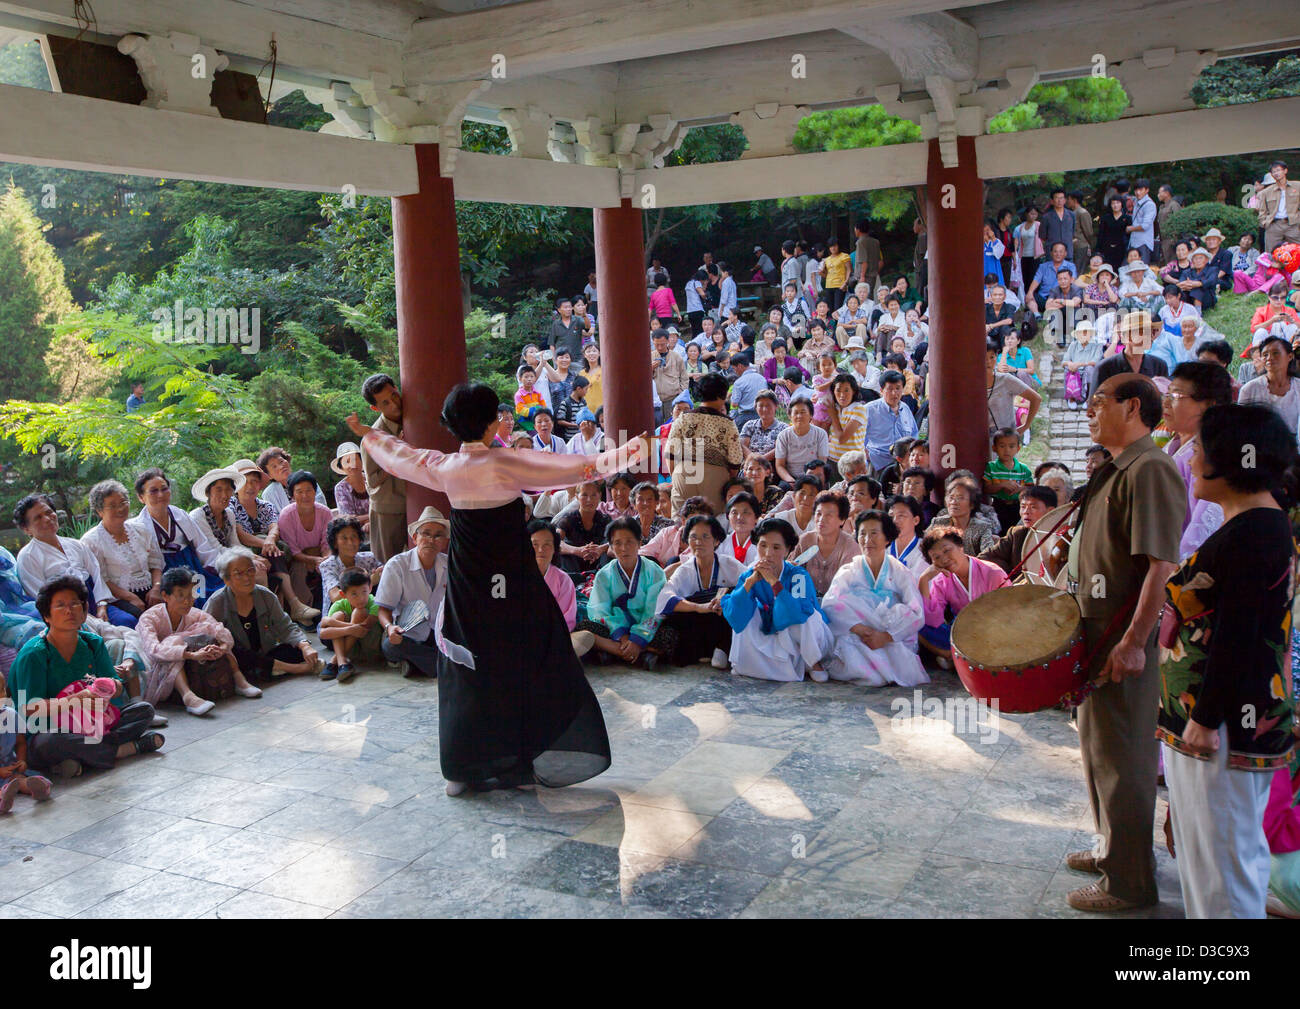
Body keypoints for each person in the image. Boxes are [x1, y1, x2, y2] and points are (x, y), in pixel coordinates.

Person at [348, 385, 647, 793]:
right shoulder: (508, 464)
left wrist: (370, 435)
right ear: (491, 423)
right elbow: (581, 468)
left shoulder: (445, 466)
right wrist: (631, 450)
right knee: (523, 661)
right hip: (511, 583)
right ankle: (517, 758)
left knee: (467, 667)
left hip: (468, 586)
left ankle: (463, 768)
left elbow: (402, 458)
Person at [1158, 404, 1296, 917]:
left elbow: (1241, 635)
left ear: (1232, 460)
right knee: (1204, 863)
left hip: (1225, 729)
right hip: (1206, 723)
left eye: (1198, 448)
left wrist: (1206, 716)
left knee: (1226, 870)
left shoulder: (1258, 532)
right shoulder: (1248, 525)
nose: (1191, 460)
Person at [1063, 375, 1185, 912]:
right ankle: (1114, 847)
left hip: (1118, 638)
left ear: (1133, 407)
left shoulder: (1151, 467)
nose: (1089, 408)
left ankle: (1129, 881)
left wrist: (1135, 641)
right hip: (1093, 636)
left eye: (1099, 401)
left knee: (1124, 756)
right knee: (1098, 750)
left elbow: (1162, 564)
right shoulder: (1117, 467)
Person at [8, 575, 162, 776]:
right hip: (47, 730)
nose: (69, 610)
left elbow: (116, 687)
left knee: (143, 710)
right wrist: (76, 700)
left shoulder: (93, 643)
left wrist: (112, 687)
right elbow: (28, 708)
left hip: (92, 724)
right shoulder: (34, 654)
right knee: (49, 742)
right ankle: (123, 750)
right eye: (60, 605)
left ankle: (77, 758)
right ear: (46, 615)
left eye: (75, 604)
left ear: (84, 610)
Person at [137, 567, 263, 716]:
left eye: (191, 595)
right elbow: (154, 651)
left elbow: (220, 630)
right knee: (172, 644)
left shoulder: (193, 613)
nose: (187, 601)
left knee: (212, 631)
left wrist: (221, 648)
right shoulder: (149, 618)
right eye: (181, 595)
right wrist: (191, 655)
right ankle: (188, 697)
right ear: (165, 596)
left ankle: (238, 679)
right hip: (154, 668)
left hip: (189, 663)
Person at [822, 509, 927, 686]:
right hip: (859, 636)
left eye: (874, 533)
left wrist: (885, 636)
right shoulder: (849, 571)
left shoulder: (901, 572)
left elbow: (917, 613)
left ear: (887, 538)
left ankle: (875, 666)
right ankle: (871, 669)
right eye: (862, 534)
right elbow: (830, 603)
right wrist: (862, 629)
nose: (867, 540)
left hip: (889, 638)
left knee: (901, 611)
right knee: (843, 602)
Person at [722, 517, 834, 682]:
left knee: (805, 618)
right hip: (772, 628)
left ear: (787, 549)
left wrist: (775, 583)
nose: (768, 553)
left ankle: (815, 662)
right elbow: (735, 616)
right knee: (744, 612)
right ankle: (751, 665)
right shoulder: (749, 575)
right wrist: (750, 583)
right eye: (763, 545)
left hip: (801, 633)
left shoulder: (798, 575)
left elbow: (797, 613)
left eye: (776, 547)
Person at [204, 547, 321, 681]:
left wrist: (305, 646)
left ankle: (267, 670)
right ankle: (293, 669)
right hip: (238, 657)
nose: (247, 577)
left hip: (265, 653)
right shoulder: (217, 602)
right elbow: (209, 639)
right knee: (235, 653)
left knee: (298, 651)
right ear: (226, 580)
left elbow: (285, 626)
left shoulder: (265, 595)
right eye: (238, 573)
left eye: (250, 570)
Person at [15, 494, 132, 627]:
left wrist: (101, 606)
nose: (47, 519)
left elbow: (96, 575)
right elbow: (40, 597)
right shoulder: (28, 557)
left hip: (96, 603)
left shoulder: (76, 545)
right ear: (26, 529)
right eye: (38, 518)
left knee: (127, 621)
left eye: (49, 512)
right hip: (66, 614)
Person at [576, 517, 675, 670]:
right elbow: (599, 609)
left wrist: (637, 639)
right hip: (615, 629)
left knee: (670, 634)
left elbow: (654, 610)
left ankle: (615, 652)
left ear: (639, 543)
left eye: (629, 542)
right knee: (585, 628)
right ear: (610, 546)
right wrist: (622, 635)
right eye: (617, 543)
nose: (624, 548)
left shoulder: (654, 571)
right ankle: (638, 654)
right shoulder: (604, 574)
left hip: (645, 627)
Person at [1163, 362, 1232, 563]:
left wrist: (1176, 572)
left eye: (1175, 397)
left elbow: (1203, 526)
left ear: (1210, 405)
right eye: (1166, 395)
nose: (1166, 403)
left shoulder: (1211, 456)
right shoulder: (1171, 446)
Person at [654, 514, 742, 668]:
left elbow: (749, 583)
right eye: (693, 537)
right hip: (697, 622)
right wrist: (699, 607)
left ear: (716, 541)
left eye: (705, 536)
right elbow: (664, 597)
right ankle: (704, 650)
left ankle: (722, 648)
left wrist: (724, 598)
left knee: (733, 596)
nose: (698, 542)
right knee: (677, 613)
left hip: (722, 619)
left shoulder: (730, 564)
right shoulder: (685, 569)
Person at [373, 506, 450, 679]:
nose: (431, 540)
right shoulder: (397, 565)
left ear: (444, 542)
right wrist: (390, 627)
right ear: (415, 538)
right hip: (407, 635)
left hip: (437, 633)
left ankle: (418, 664)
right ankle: (439, 666)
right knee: (391, 646)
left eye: (438, 535)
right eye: (426, 533)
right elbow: (383, 609)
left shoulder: (449, 564)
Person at [916, 526, 1010, 667]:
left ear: (960, 546)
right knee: (917, 624)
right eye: (937, 557)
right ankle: (951, 655)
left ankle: (956, 659)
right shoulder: (941, 580)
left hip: (994, 632)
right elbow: (933, 620)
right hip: (963, 635)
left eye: (947, 550)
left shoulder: (992, 572)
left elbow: (1010, 611)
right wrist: (923, 580)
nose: (944, 559)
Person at [81, 479, 164, 624]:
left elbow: (155, 564)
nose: (120, 509)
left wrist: (156, 588)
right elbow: (101, 580)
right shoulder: (91, 541)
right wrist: (131, 598)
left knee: (179, 605)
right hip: (117, 597)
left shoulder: (141, 530)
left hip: (151, 591)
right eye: (112, 506)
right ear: (100, 511)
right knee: (141, 620)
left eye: (123, 502)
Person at [666, 372, 743, 515]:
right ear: (723, 394)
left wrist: (676, 475)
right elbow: (735, 462)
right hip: (716, 477)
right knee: (711, 524)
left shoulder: (683, 418)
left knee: (680, 523)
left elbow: (670, 453)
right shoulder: (728, 424)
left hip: (684, 472)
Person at [360, 373, 408, 565]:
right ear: (375, 408)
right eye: (385, 403)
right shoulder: (372, 438)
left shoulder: (416, 420)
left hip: (417, 502)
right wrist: (396, 454)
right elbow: (371, 481)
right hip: (388, 509)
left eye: (394, 395)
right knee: (388, 567)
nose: (394, 405)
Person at [276, 470, 333, 617]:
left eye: (309, 490)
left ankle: (332, 608)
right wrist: (313, 559)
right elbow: (293, 551)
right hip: (298, 559)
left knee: (331, 564)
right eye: (299, 491)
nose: (305, 495)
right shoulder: (287, 515)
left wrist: (325, 559)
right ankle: (304, 612)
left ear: (315, 492)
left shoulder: (325, 512)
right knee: (299, 569)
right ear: (292, 494)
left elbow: (327, 544)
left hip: (319, 555)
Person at [317, 568, 383, 683]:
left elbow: (362, 629)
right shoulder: (338, 605)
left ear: (370, 588)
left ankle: (335, 660)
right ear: (343, 594)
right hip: (351, 651)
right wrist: (349, 628)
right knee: (337, 615)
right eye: (354, 594)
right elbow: (323, 633)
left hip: (370, 648)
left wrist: (331, 623)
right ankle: (342, 662)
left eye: (364, 591)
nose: (361, 598)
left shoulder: (375, 603)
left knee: (360, 612)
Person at [976, 485, 1057, 578]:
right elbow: (985, 558)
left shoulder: (1060, 537)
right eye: (1023, 507)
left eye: (1033, 507)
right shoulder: (1017, 534)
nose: (1026, 512)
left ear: (1050, 511)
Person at [794, 491, 857, 597]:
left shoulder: (850, 547)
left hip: (838, 605)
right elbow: (793, 573)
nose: (821, 519)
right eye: (819, 514)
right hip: (806, 604)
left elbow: (849, 588)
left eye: (829, 515)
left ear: (842, 520)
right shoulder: (805, 540)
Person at [1238, 336, 1300, 439]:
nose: (1269, 358)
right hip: (1262, 450)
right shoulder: (1249, 390)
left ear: (1290, 356)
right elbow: (1242, 429)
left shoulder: (1298, 387)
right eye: (1265, 355)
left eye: (1276, 353)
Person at [317, 516, 382, 611]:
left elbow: (387, 574)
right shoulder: (327, 565)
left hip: (369, 611)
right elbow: (335, 597)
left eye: (354, 537)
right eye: (344, 538)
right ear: (335, 543)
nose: (350, 542)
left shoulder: (370, 558)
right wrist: (371, 580)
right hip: (340, 616)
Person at [983, 428, 1033, 532]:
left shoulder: (1023, 469)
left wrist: (1020, 489)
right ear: (994, 448)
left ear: (1018, 448)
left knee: (1017, 532)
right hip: (998, 506)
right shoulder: (991, 467)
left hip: (1018, 506)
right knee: (999, 532)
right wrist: (1002, 485)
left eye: (1011, 446)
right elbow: (986, 489)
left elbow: (1031, 488)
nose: (1007, 450)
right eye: (1002, 446)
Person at [1256, 159, 1300, 252]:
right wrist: (1264, 222)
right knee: (1271, 253)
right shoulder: (1266, 192)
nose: (1276, 173)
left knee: (1297, 251)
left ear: (1285, 171)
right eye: (1273, 171)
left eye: (1278, 170)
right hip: (1274, 224)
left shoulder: (1297, 186)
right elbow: (1262, 211)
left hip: (1293, 224)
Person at [330, 442, 370, 531]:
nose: (352, 465)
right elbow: (348, 519)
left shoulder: (371, 479)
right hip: (355, 533)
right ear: (341, 467)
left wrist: (370, 521)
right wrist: (371, 517)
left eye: (355, 460)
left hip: (380, 524)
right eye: (347, 461)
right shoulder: (341, 488)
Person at [1096, 195, 1131, 273]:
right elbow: (1101, 234)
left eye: (1118, 203)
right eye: (1113, 203)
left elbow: (1129, 236)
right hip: (1107, 248)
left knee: (1120, 271)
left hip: (1122, 249)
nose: (1115, 205)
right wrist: (1098, 249)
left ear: (1122, 204)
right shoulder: (1105, 218)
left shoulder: (1127, 218)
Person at [1126, 178, 1157, 263]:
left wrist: (1130, 229)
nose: (1138, 192)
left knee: (1141, 269)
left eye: (1140, 189)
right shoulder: (1136, 201)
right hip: (1133, 242)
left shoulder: (1150, 205)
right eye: (1136, 190)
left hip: (1143, 243)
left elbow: (1145, 226)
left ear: (1147, 190)